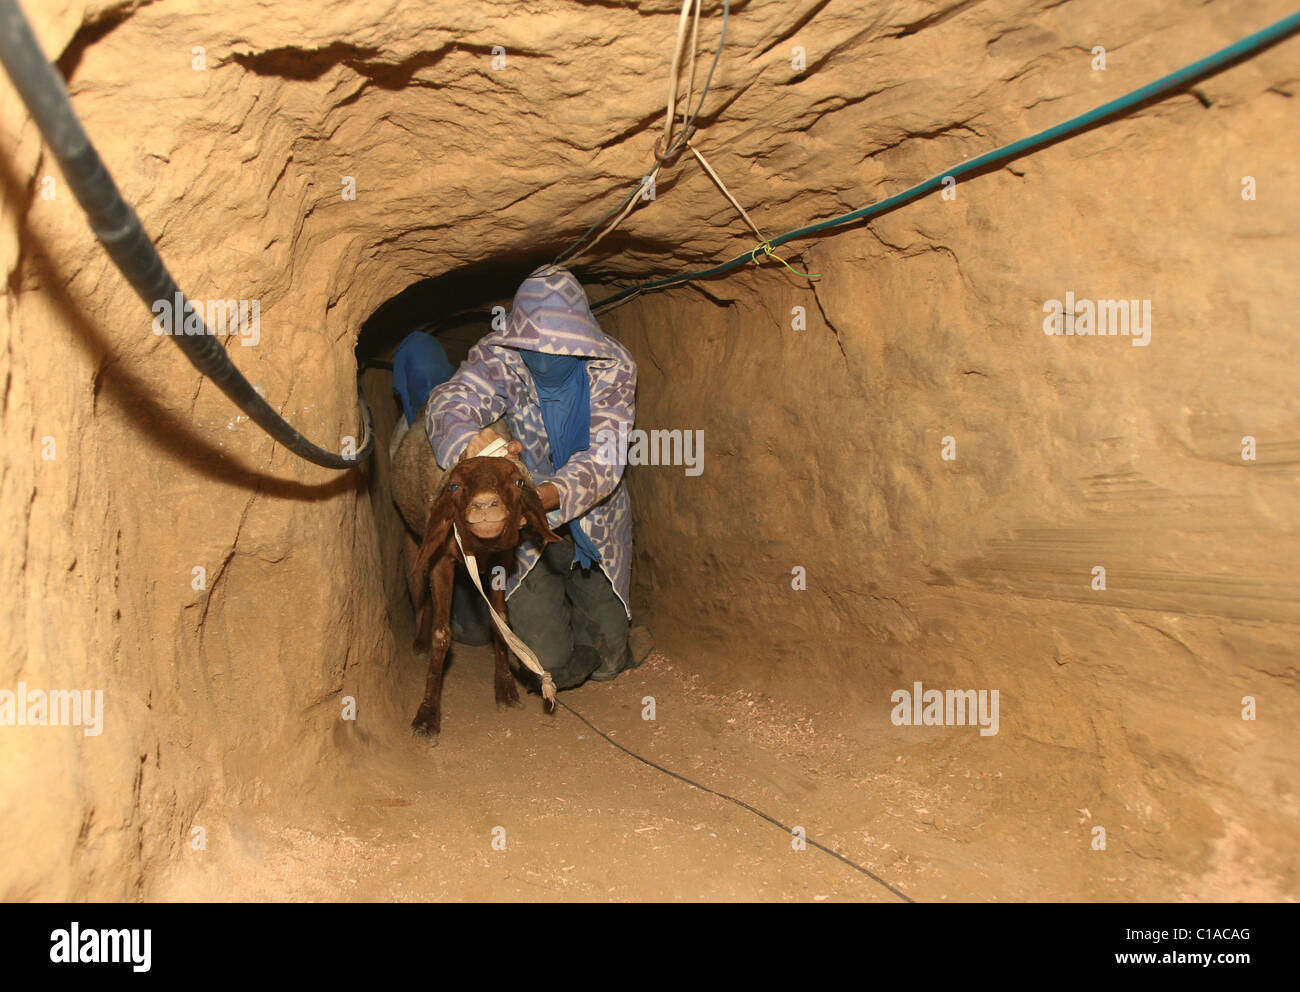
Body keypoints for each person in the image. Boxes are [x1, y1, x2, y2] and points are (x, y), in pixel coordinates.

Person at [424, 264, 645, 689]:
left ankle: (605, 624)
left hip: (593, 515)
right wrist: (467, 438)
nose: (546, 354)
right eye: (536, 344)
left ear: (583, 336)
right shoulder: (499, 355)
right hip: (523, 532)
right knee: (547, 665)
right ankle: (503, 618)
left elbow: (604, 461)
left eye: (561, 344)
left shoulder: (614, 366)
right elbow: (447, 401)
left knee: (607, 662)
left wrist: (537, 499)